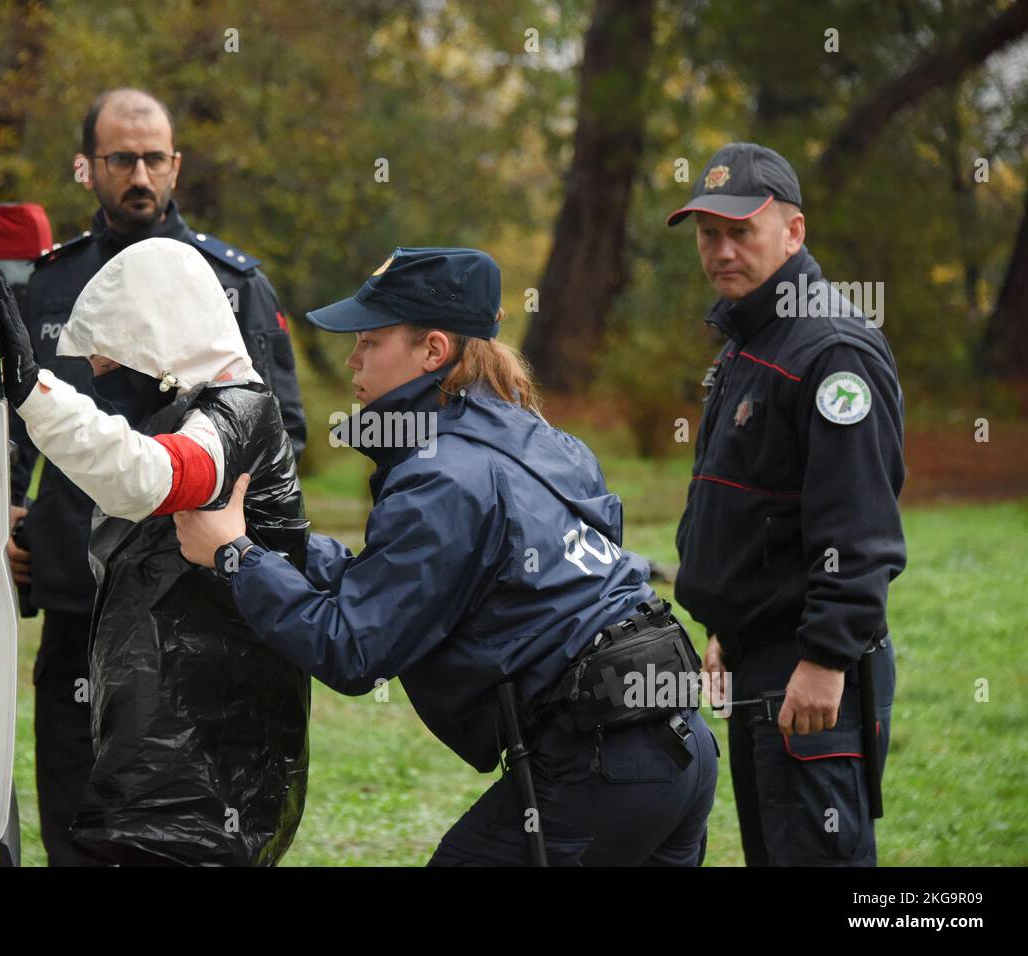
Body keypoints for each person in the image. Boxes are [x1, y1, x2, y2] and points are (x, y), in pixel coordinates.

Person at [174, 247, 719, 866]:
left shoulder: (443, 478)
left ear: (433, 350)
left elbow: (354, 648)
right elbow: (413, 584)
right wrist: (283, 542)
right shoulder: (542, 440)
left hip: (600, 766)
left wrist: (235, 558)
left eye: (369, 341)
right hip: (678, 751)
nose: (352, 359)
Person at [6, 87, 306, 865]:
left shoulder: (233, 400)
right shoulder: (56, 276)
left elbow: (150, 477)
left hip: (198, 625)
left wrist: (32, 390)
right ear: (88, 166)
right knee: (95, 806)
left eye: (154, 157)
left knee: (177, 823)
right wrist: (13, 512)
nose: (139, 173)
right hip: (95, 593)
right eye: (119, 157)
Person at [665, 142, 905, 866]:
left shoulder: (832, 351)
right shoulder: (751, 337)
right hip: (757, 661)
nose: (721, 251)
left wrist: (827, 658)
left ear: (793, 233)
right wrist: (722, 629)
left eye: (742, 231)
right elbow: (746, 510)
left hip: (808, 671)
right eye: (709, 234)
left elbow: (859, 529)